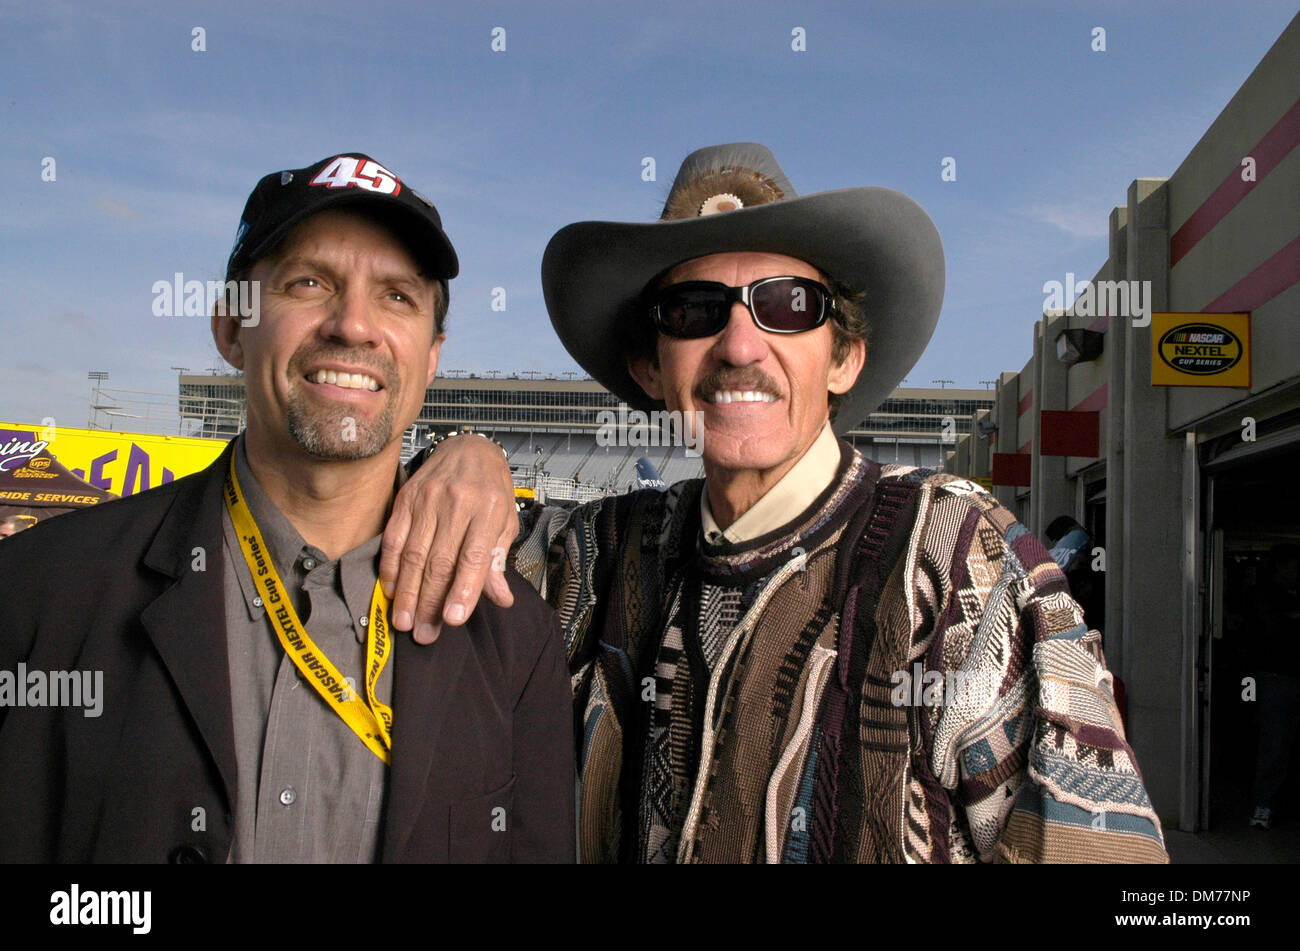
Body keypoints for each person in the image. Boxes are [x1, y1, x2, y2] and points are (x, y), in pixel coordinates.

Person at [386, 143, 1168, 863]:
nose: (738, 344)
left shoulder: (962, 557)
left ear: (844, 358)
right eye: (694, 311)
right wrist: (463, 455)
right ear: (651, 369)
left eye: (789, 305)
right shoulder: (590, 554)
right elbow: (344, 512)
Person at [0, 153, 574, 863]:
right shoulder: (42, 591)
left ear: (432, 358)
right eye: (309, 282)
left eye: (397, 296)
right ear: (229, 329)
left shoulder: (516, 638)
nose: (353, 326)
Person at [1247, 543, 1300, 829]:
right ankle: (1263, 804)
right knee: (1275, 743)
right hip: (1275, 679)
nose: (1295, 572)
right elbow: (1271, 627)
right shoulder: (1266, 596)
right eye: (1291, 566)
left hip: (1286, 677)